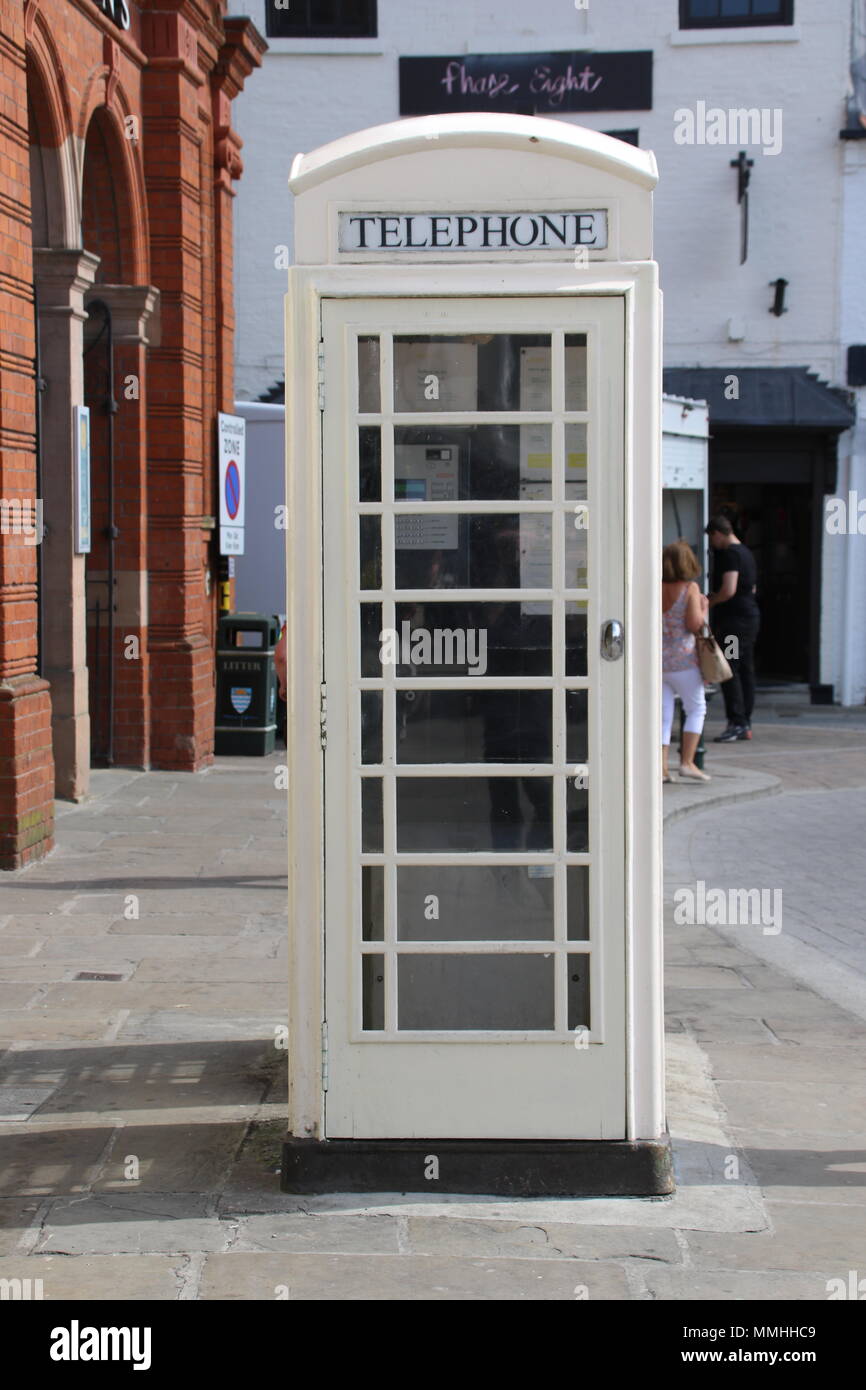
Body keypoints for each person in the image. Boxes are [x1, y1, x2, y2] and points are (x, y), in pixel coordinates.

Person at [706, 514, 760, 742]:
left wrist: (711, 601)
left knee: (730, 669)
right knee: (745, 669)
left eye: (712, 538)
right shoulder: (746, 553)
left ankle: (737, 722)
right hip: (749, 618)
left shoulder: (730, 555)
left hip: (734, 623)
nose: (712, 544)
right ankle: (745, 721)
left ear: (718, 534)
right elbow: (752, 588)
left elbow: (729, 589)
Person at [662, 539, 710, 783]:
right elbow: (694, 624)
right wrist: (704, 608)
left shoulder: (655, 586)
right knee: (696, 708)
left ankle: (661, 767)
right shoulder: (690, 588)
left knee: (662, 715)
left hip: (657, 661)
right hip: (684, 661)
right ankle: (687, 762)